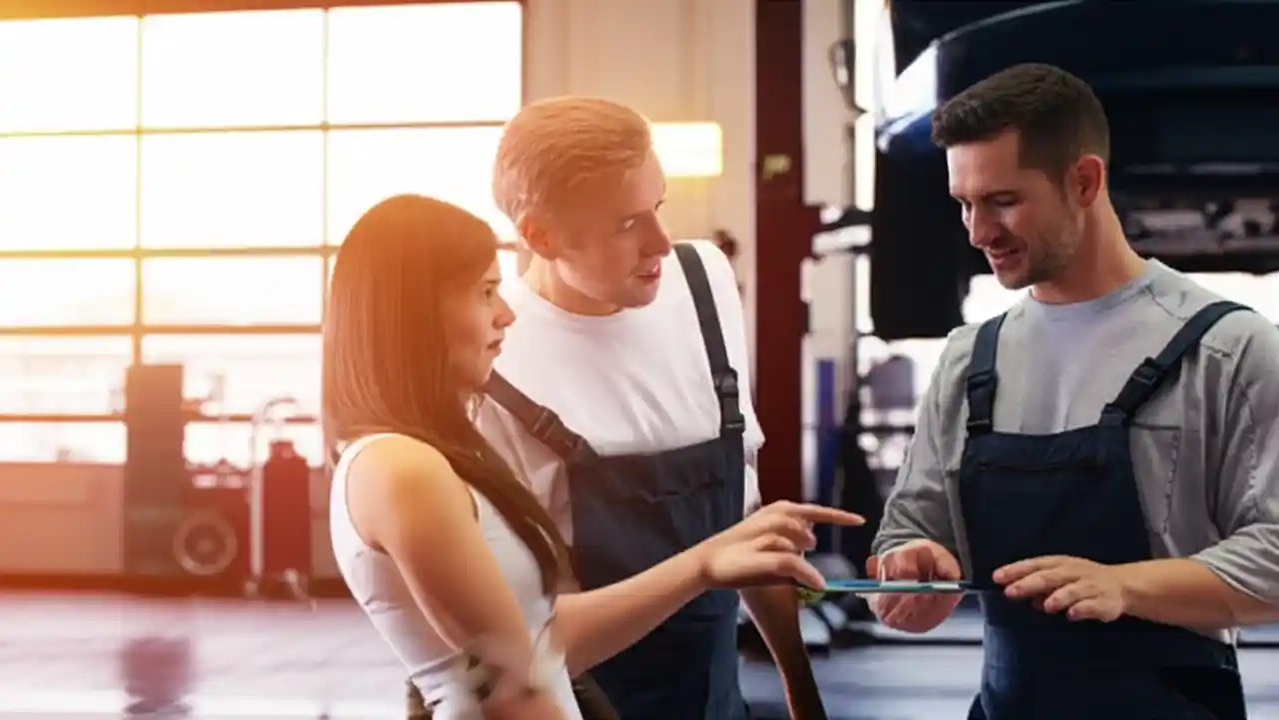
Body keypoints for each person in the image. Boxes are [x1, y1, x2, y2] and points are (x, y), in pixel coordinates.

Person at [324, 194, 862, 720]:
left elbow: (543, 642)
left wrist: (702, 565)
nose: (507, 314)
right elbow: (515, 686)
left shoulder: (429, 459)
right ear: (413, 315)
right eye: (486, 292)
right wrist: (699, 567)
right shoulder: (400, 469)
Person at [867, 62, 1279, 719]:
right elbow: (909, 538)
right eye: (964, 204)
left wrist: (1126, 587)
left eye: (1003, 201)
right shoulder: (968, 360)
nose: (977, 233)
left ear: (1084, 180)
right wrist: (909, 571)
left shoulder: (1227, 350)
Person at [468, 95, 831, 720]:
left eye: (658, 207)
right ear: (541, 236)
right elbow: (521, 643)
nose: (662, 242)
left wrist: (804, 696)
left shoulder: (704, 283)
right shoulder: (495, 362)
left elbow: (744, 523)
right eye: (626, 224)